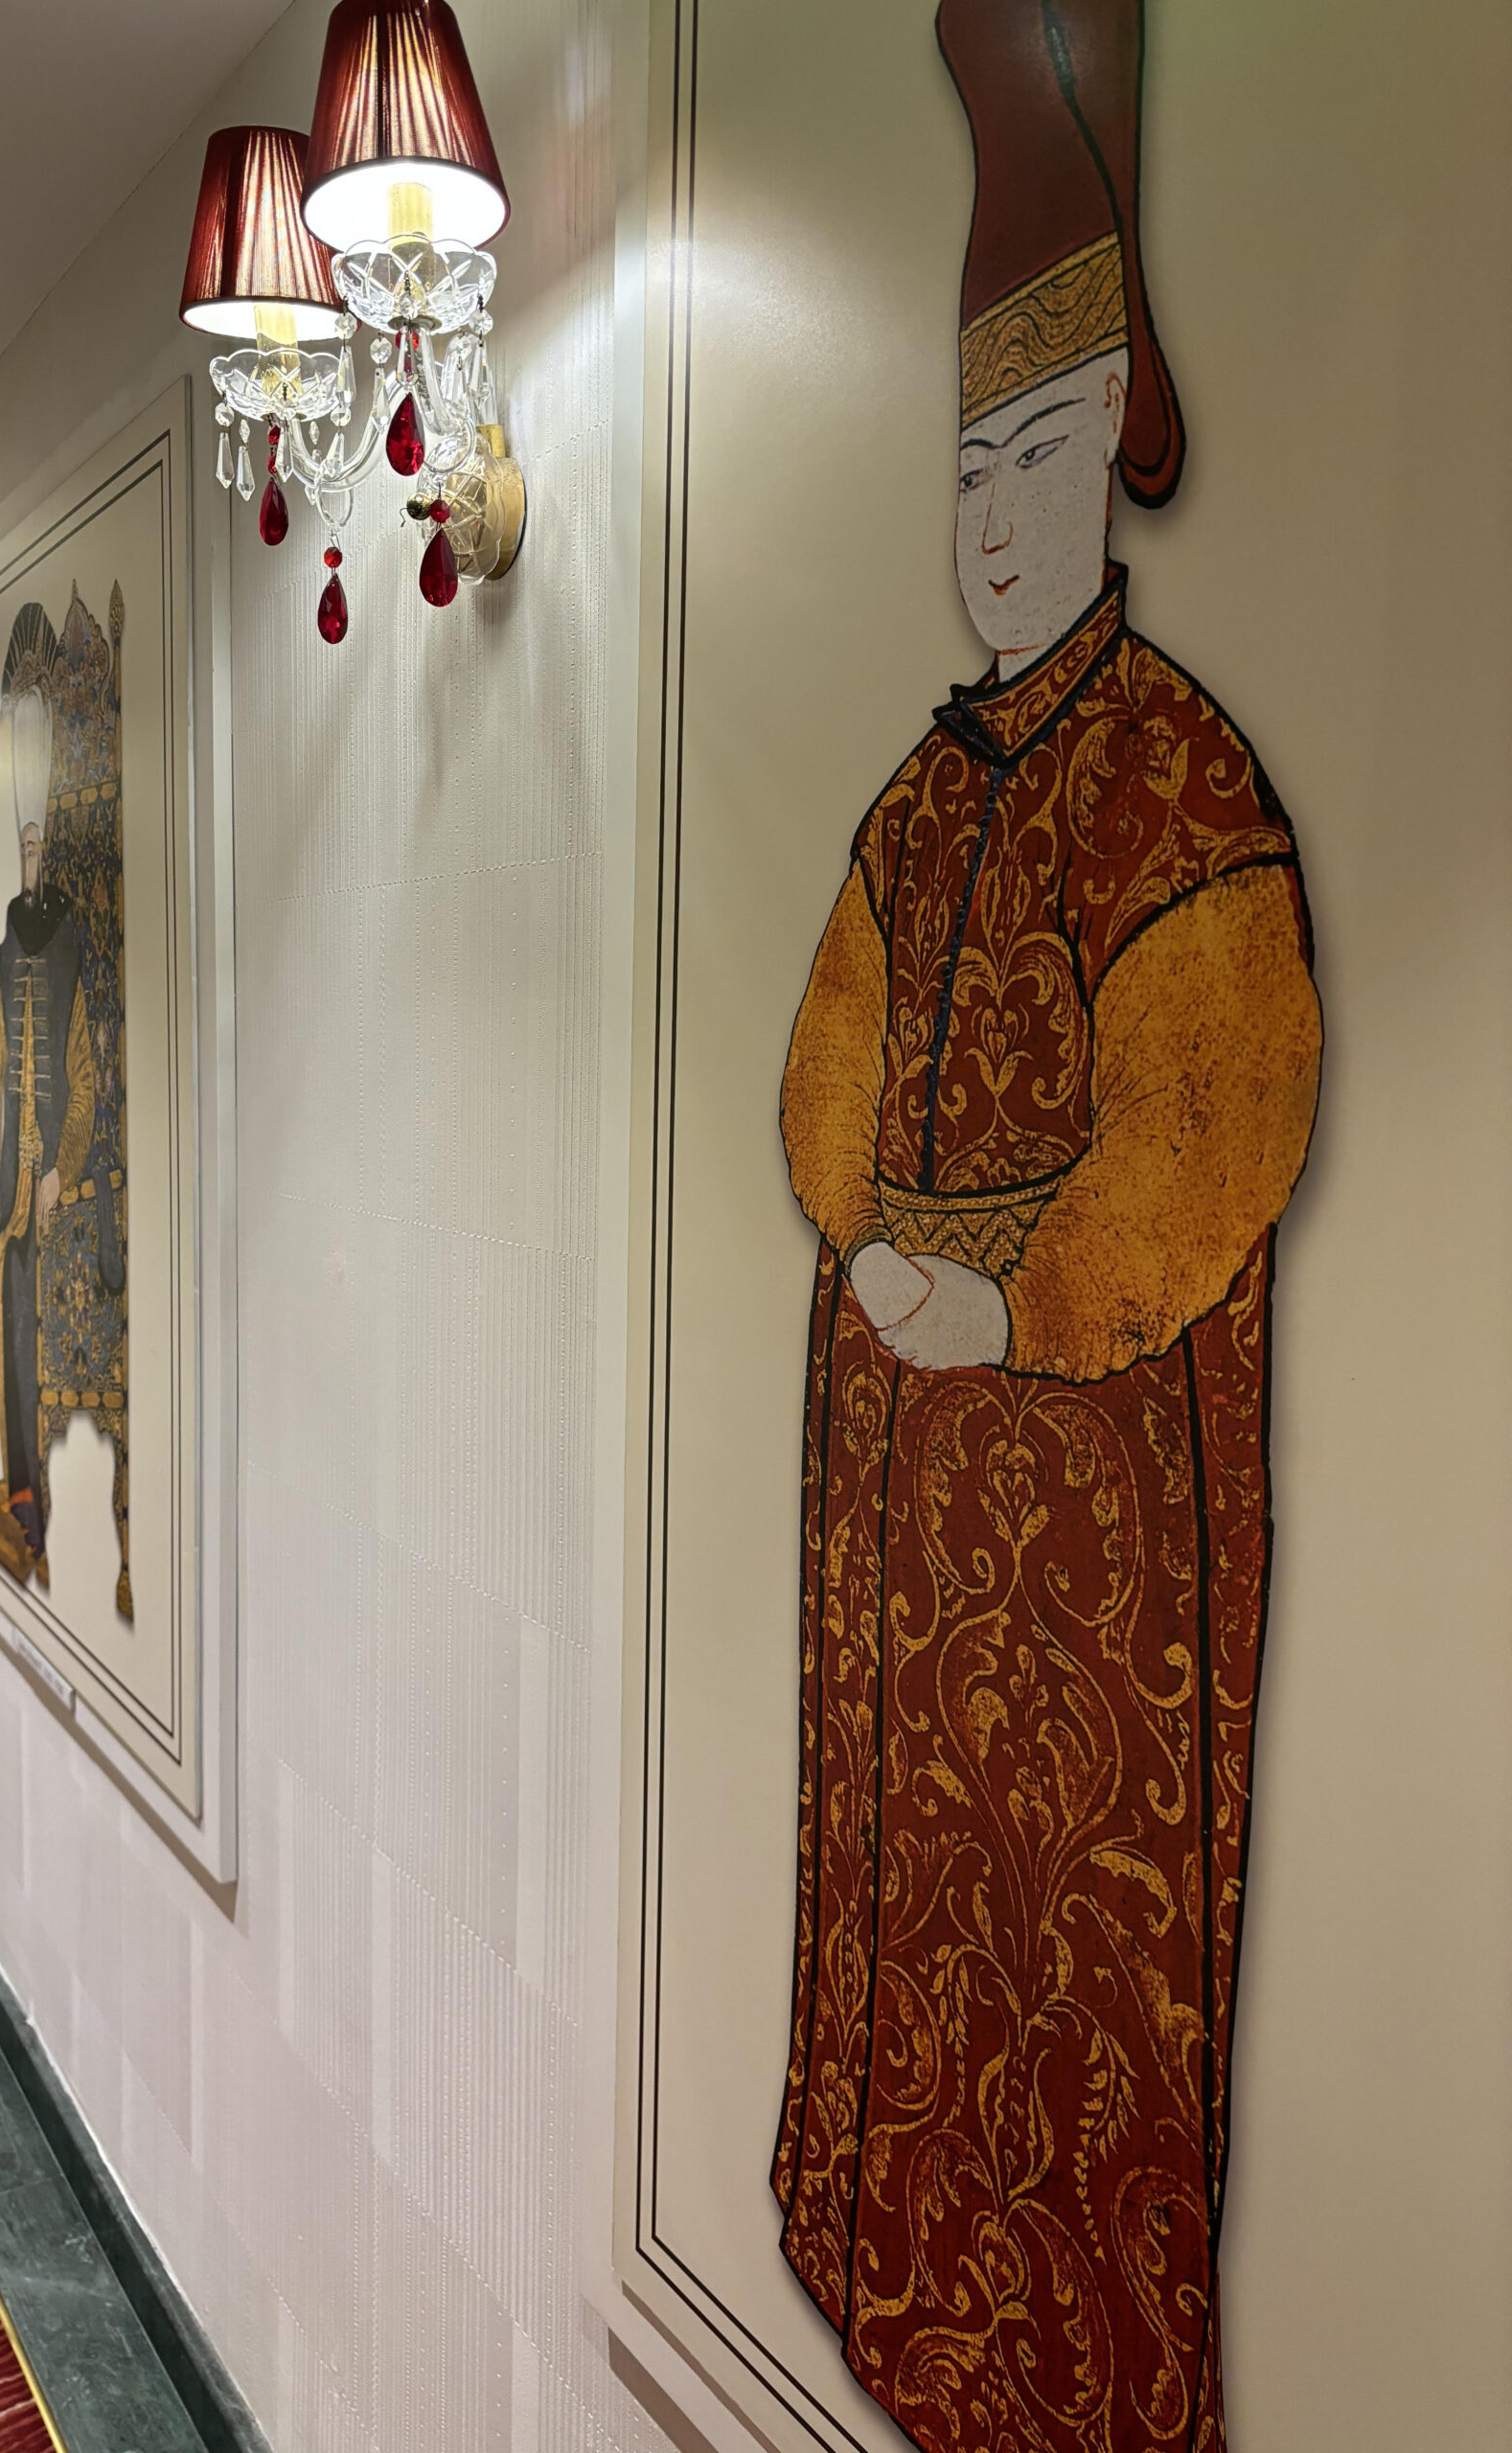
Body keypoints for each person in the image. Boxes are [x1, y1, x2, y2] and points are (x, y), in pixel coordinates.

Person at [770, 6, 1321, 2447]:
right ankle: (868, 2256)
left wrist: (1008, 1297)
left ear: (1107, 453)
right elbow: (820, 1067)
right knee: (898, 1891)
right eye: (959, 467)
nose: (990, 518)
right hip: (899, 1474)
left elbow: (1216, 1137)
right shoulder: (916, 796)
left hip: (1085, 1496)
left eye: (1031, 456)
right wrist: (863, 1238)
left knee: (1064, 1947)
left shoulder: (1177, 774)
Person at [0, 605, 96, 1590]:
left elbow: (87, 1065)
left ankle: (43, 1500)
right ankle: (17, 1487)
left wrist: (60, 1161)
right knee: (3, 1321)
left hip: (54, 1169)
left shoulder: (67, 937)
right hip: (10, 1171)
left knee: (43, 1332)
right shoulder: (9, 934)